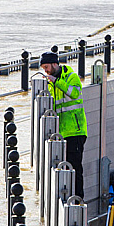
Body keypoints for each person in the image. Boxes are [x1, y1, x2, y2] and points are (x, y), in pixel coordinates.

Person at [40, 51, 88, 199]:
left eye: (47, 67)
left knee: (75, 168)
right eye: (43, 68)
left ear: (55, 64)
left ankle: (78, 200)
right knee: (64, 167)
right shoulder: (50, 83)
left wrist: (56, 82)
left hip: (75, 131)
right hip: (60, 133)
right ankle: (65, 198)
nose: (46, 70)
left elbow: (74, 93)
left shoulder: (71, 77)